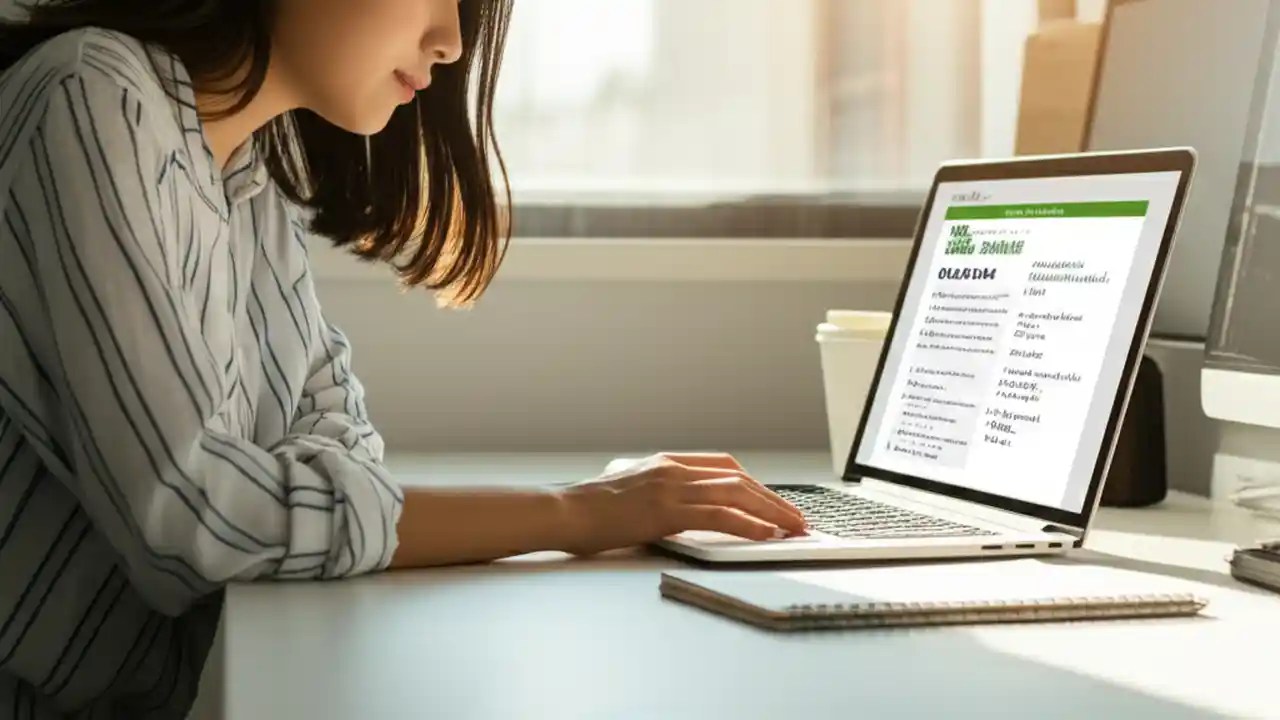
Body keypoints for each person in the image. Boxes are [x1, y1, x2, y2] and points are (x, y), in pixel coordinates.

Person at [0, 0, 808, 716]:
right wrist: (582, 513)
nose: (453, 40)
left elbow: (342, 449)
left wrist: (277, 493)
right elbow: (195, 516)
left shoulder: (239, 182)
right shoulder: (91, 95)